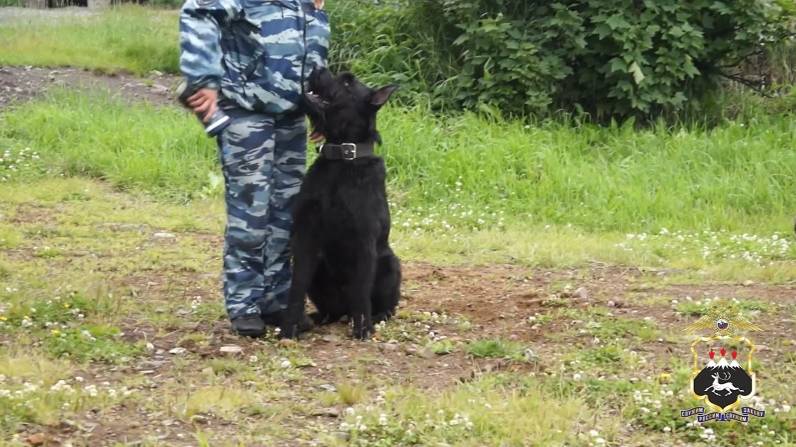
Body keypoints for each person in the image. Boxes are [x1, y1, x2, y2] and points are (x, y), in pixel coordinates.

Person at [179, 0, 329, 337]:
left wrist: (319, 109)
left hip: (290, 117)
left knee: (287, 212)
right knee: (251, 212)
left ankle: (276, 300)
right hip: (245, 113)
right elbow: (198, 11)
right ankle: (244, 303)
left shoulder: (311, 3)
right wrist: (202, 79)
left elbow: (310, 55)